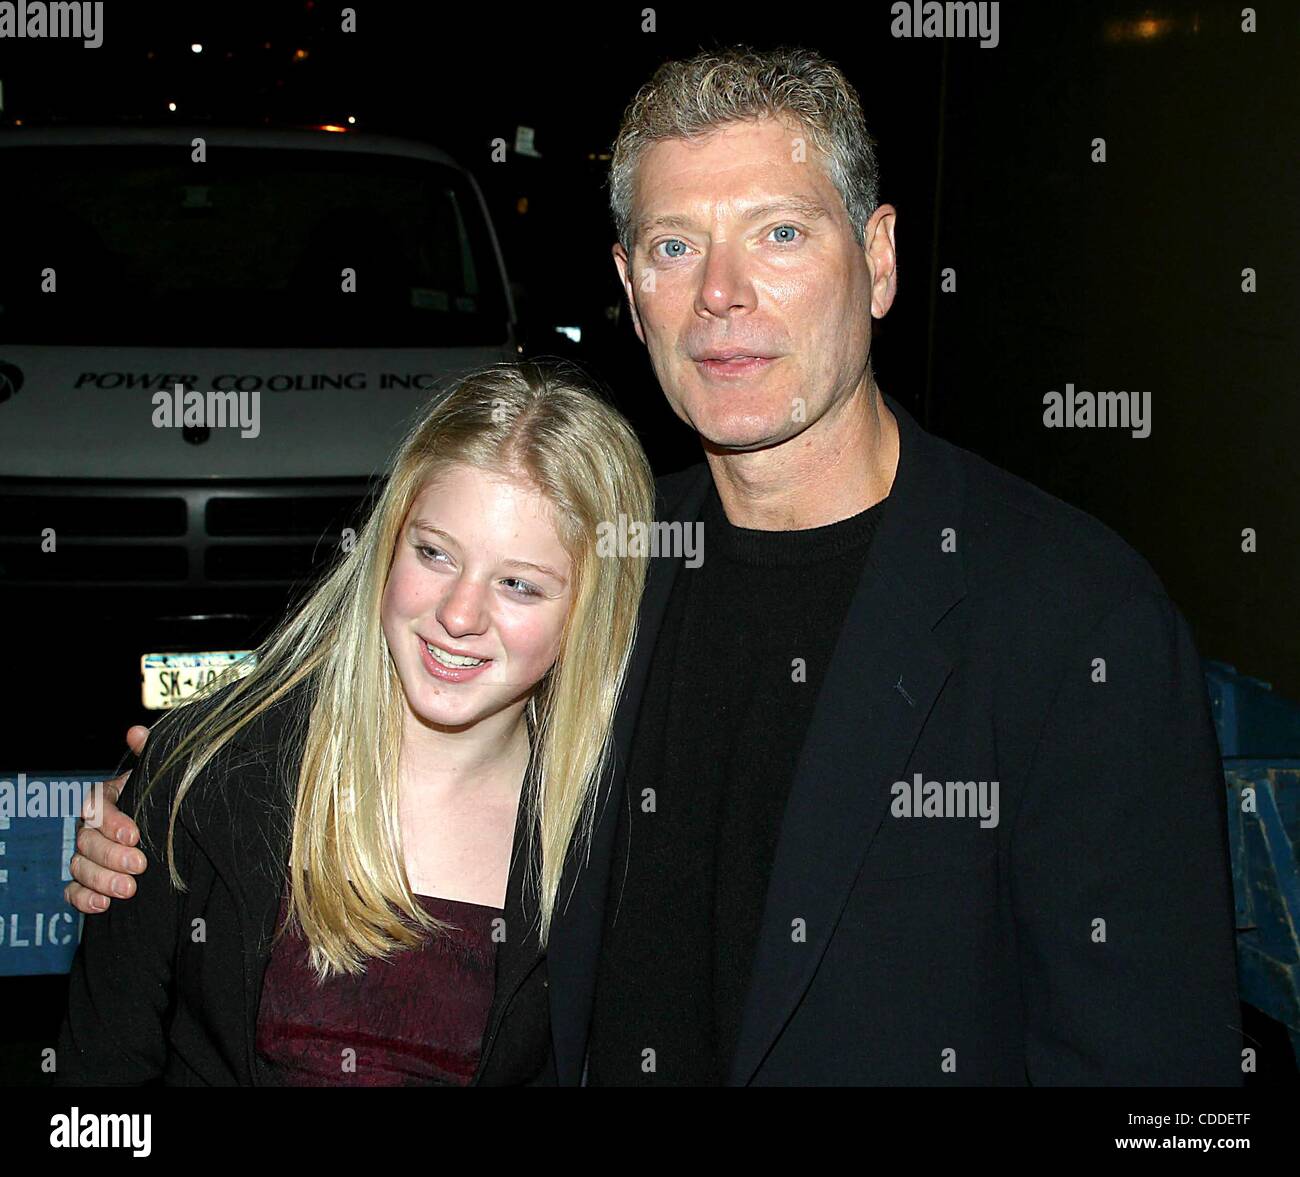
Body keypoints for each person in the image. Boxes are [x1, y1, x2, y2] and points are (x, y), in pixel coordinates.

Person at [67, 45, 1243, 1085]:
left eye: (780, 233)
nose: (723, 295)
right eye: (677, 246)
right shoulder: (605, 565)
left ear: (878, 260)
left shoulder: (1072, 618)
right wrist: (161, 810)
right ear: (630, 292)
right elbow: (390, 711)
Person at [55, 360, 654, 1085]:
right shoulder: (208, 772)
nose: (459, 614)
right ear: (386, 544)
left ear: (593, 610)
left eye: (518, 584)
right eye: (434, 552)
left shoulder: (613, 837)